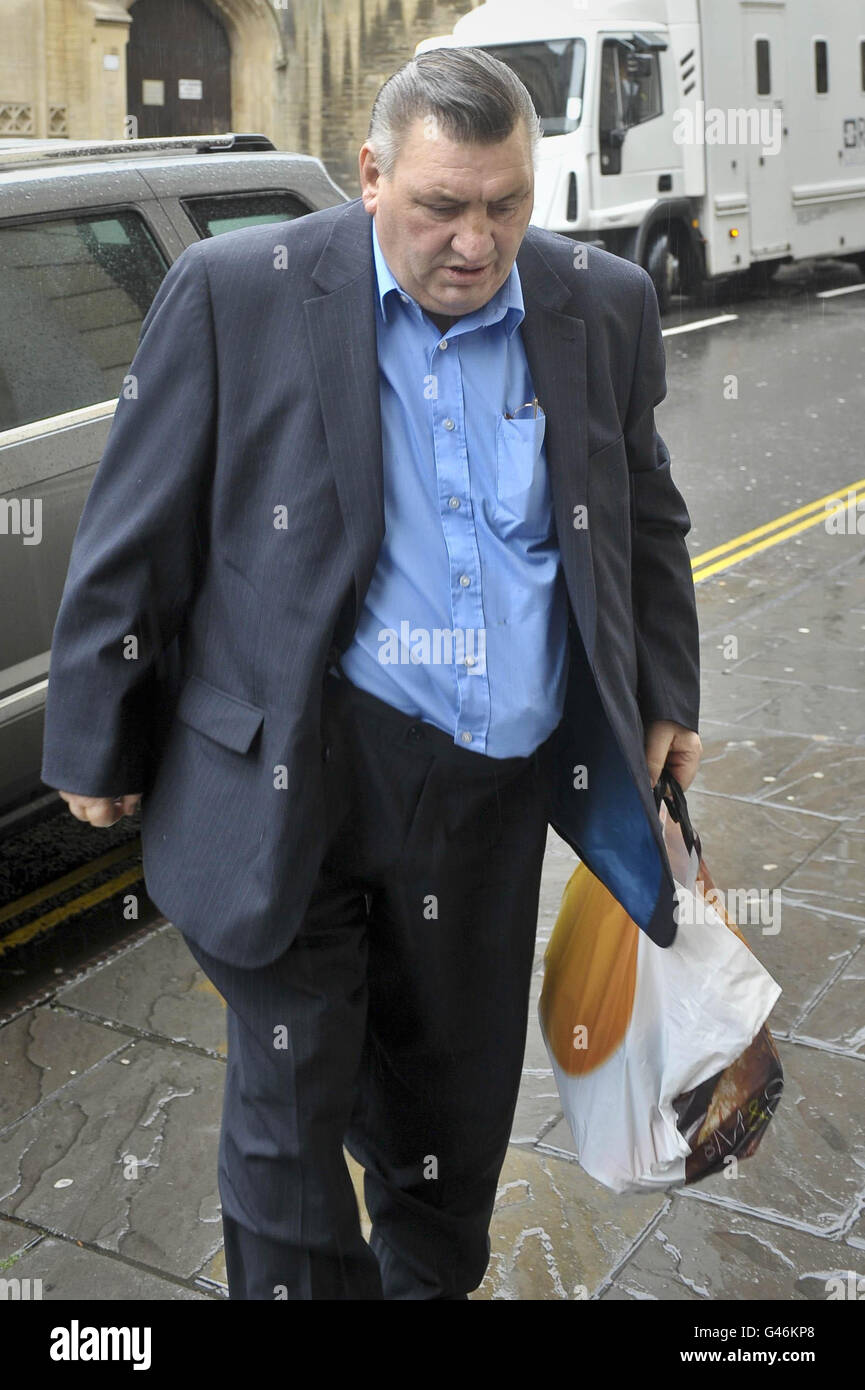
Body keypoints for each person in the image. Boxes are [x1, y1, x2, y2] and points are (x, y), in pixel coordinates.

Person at [40, 46, 702, 1300]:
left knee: (447, 1132)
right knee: (288, 1123)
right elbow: (136, 531)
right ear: (369, 175)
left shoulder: (597, 304)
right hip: (301, 771)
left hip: (487, 798)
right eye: (441, 206)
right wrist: (95, 739)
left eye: (504, 204)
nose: (476, 240)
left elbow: (644, 517)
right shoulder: (238, 290)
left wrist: (668, 692)